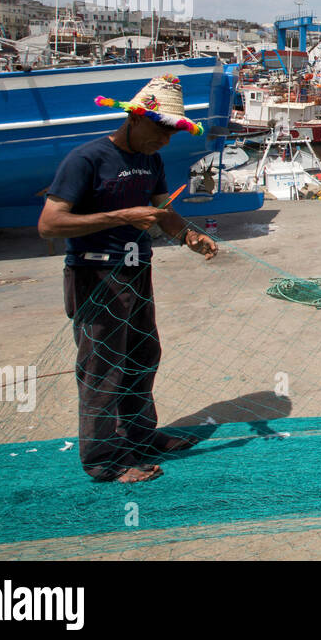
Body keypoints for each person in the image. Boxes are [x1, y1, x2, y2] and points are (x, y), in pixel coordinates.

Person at [38, 75, 217, 484]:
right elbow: (49, 224)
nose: (166, 142)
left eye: (172, 133)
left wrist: (189, 235)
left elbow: (160, 211)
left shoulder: (150, 161)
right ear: (134, 119)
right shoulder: (86, 160)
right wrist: (122, 217)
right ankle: (104, 460)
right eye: (161, 130)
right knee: (102, 367)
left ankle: (140, 436)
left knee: (142, 356)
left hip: (137, 271)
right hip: (95, 275)